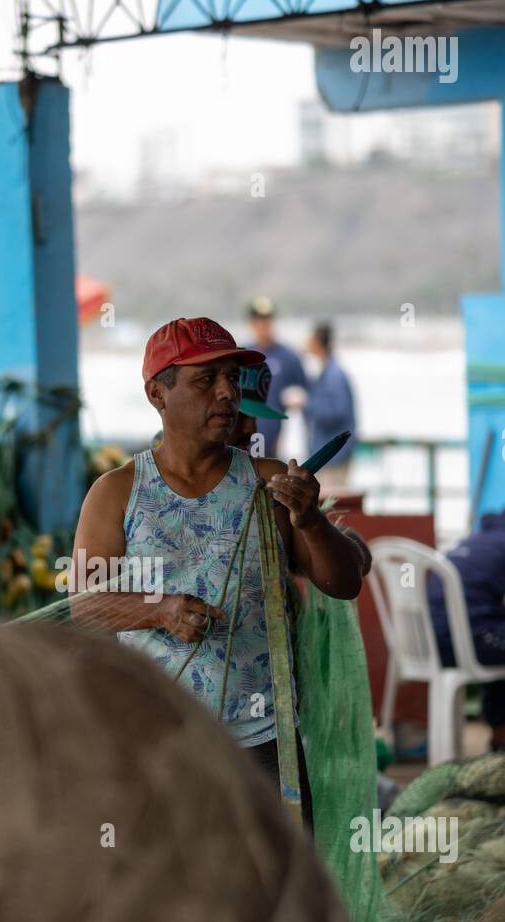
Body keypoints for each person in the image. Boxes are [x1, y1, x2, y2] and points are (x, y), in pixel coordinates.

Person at [70, 316, 365, 826]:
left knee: (279, 896)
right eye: (206, 380)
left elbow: (343, 584)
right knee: (174, 897)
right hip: (158, 740)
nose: (228, 393)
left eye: (232, 377)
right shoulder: (116, 492)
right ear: (157, 395)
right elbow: (85, 605)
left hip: (263, 739)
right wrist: (158, 611)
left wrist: (311, 519)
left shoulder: (268, 482)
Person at [427, 507, 505, 753]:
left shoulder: (489, 536)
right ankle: (504, 740)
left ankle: (504, 741)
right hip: (469, 637)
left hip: (432, 640)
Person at [244, 296, 308, 457]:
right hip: (245, 437)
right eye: (259, 321)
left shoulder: (289, 357)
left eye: (267, 320)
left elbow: (306, 392)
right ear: (251, 324)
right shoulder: (242, 355)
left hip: (278, 438)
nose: (263, 326)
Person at [304, 323, 356, 494]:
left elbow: (337, 412)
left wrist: (306, 404)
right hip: (328, 456)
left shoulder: (334, 375)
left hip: (335, 458)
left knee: (332, 508)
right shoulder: (326, 372)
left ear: (317, 342)